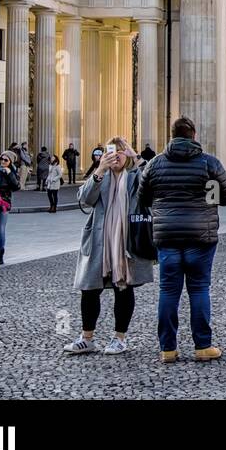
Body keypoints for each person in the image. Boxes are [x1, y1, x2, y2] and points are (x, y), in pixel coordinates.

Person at [138, 117, 226, 363]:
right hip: (201, 235)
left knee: (168, 291)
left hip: (167, 235)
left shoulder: (155, 164)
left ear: (171, 135)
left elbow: (143, 197)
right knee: (199, 289)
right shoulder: (209, 163)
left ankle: (167, 349)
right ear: (194, 135)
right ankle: (203, 346)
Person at [64, 138, 155, 356]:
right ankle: (87, 338)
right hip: (99, 242)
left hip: (125, 242)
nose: (116, 157)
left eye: (120, 153)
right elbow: (85, 199)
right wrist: (100, 170)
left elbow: (152, 188)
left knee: (122, 288)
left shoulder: (135, 177)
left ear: (128, 155)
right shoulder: (100, 176)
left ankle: (119, 338)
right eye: (111, 152)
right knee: (89, 289)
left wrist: (137, 158)